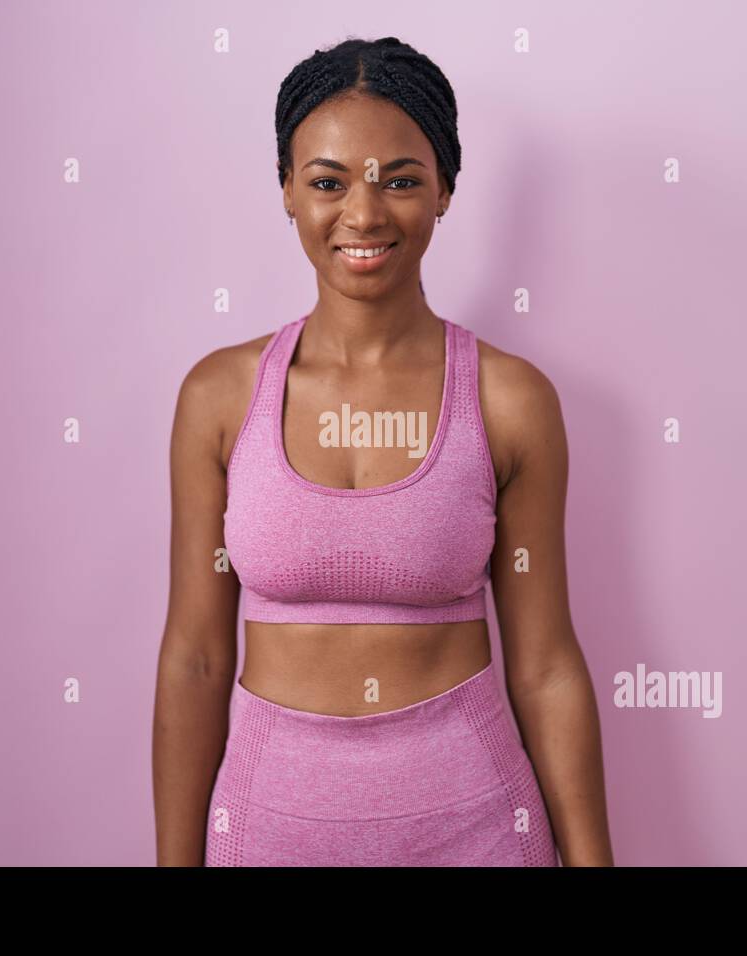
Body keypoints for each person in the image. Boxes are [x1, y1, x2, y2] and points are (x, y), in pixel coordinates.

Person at [153, 36, 613, 866]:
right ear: (288, 191)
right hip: (267, 832)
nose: (363, 215)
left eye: (400, 180)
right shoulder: (219, 398)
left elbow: (546, 668)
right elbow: (194, 657)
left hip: (478, 830)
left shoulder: (510, 400)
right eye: (328, 182)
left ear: (444, 191)